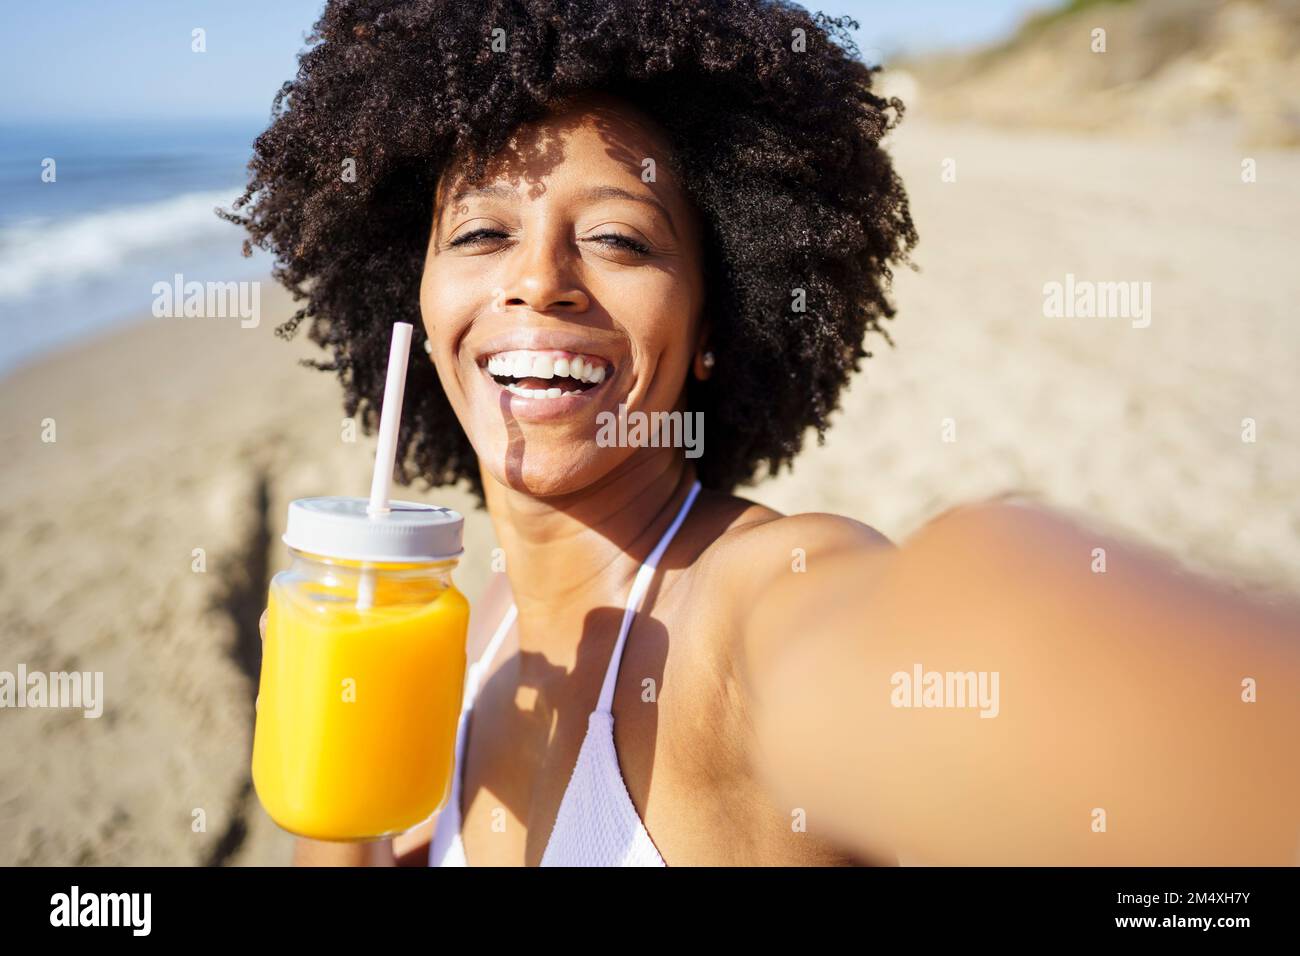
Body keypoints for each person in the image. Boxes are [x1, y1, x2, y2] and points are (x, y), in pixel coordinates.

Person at [237, 0, 1299, 867]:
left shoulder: (752, 607)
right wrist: (338, 818)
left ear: (713, 322)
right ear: (414, 299)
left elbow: (961, 627)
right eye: (480, 231)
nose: (535, 280)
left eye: (616, 236)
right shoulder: (455, 632)